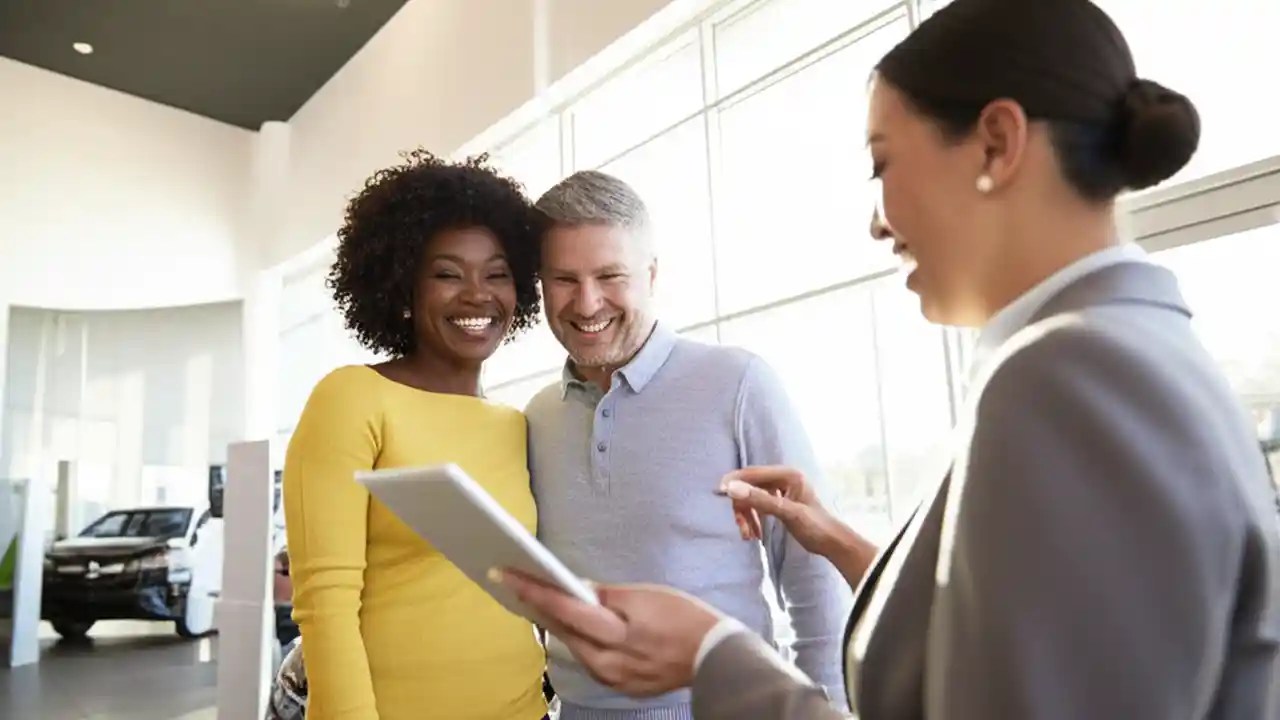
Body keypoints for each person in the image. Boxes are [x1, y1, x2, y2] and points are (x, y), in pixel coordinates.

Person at [496, 1, 1280, 718]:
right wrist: (836, 540)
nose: (877, 223)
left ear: (998, 145)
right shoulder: (1122, 351)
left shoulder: (1067, 376)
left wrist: (713, 658)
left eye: (882, 163)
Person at [522, 170, 852, 719]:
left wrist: (825, 708)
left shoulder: (738, 383)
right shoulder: (536, 417)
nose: (587, 302)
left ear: (650, 275)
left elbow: (810, 570)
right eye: (564, 279)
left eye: (610, 275)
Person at [282, 149, 549, 719]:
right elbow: (325, 605)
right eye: (447, 274)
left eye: (497, 274)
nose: (478, 295)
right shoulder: (353, 398)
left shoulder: (514, 426)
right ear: (403, 288)